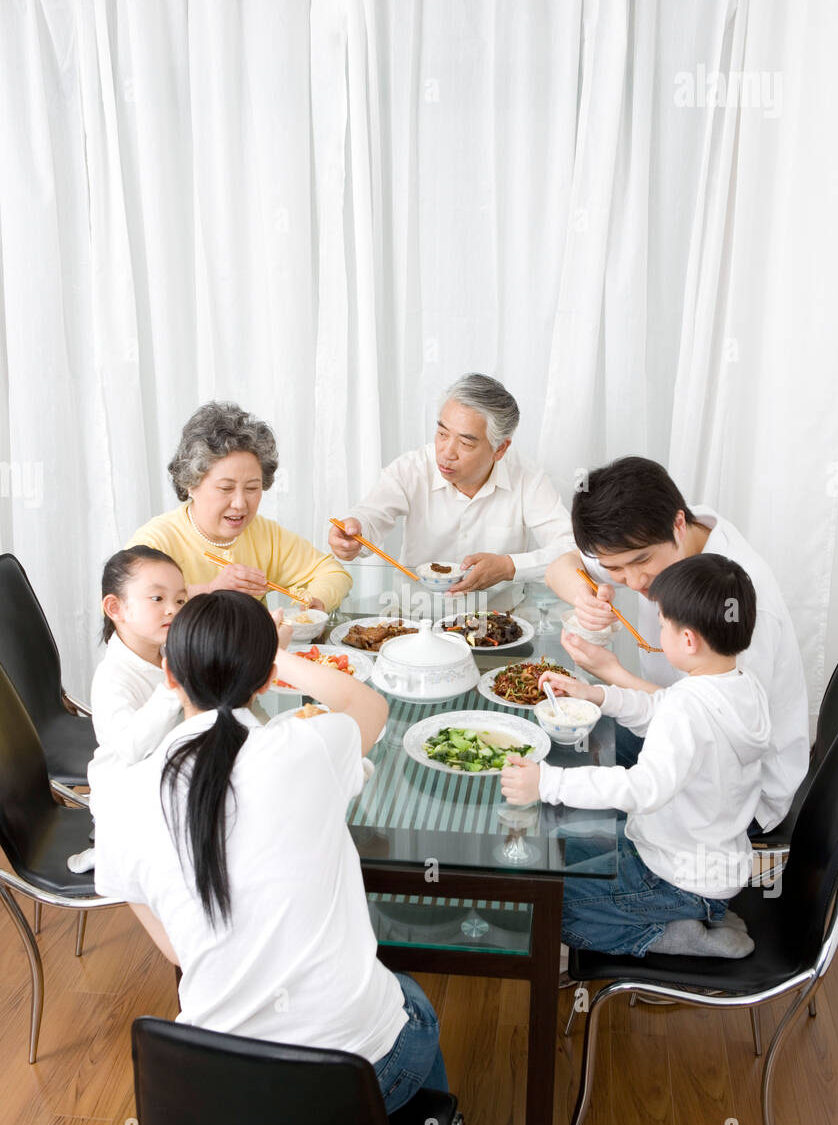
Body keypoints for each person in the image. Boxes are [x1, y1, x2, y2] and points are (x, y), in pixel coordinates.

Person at [94, 591, 521, 1125]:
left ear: (169, 675)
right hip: (354, 1074)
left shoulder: (122, 799)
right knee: (407, 1003)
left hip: (215, 1093)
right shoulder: (305, 745)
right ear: (265, 678)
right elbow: (371, 706)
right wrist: (279, 656)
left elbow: (179, 950)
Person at [501, 555, 770, 957]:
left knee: (544, 904)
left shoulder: (689, 707)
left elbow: (643, 788)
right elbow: (662, 711)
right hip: (701, 869)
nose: (658, 631)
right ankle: (705, 912)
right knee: (553, 850)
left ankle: (675, 935)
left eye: (662, 624)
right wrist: (597, 695)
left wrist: (547, 782)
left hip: (672, 877)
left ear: (689, 640)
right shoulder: (741, 687)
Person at [545, 457, 808, 832]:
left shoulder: (740, 602)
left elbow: (717, 729)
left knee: (568, 834)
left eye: (640, 563)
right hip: (669, 729)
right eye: (615, 569)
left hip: (732, 795)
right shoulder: (658, 535)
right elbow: (562, 564)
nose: (632, 581)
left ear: (678, 525)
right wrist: (583, 599)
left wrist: (612, 674)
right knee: (555, 738)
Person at [328, 373, 574, 594]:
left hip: (498, 626)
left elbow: (570, 547)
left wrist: (509, 566)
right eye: (442, 434)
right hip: (416, 619)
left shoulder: (527, 478)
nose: (446, 453)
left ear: (500, 449)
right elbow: (372, 513)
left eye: (465, 443)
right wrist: (354, 530)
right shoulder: (413, 468)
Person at [129, 401, 351, 612]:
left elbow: (333, 573)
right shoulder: (158, 540)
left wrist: (316, 601)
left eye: (252, 488)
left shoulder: (264, 534)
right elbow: (125, 603)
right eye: (225, 488)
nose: (240, 504)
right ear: (190, 484)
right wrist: (210, 590)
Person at [67, 546, 189, 873]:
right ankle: (109, 849)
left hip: (166, 777)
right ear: (115, 607)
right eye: (157, 599)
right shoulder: (112, 677)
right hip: (128, 800)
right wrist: (173, 686)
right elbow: (131, 745)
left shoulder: (165, 652)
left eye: (180, 600)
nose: (172, 610)